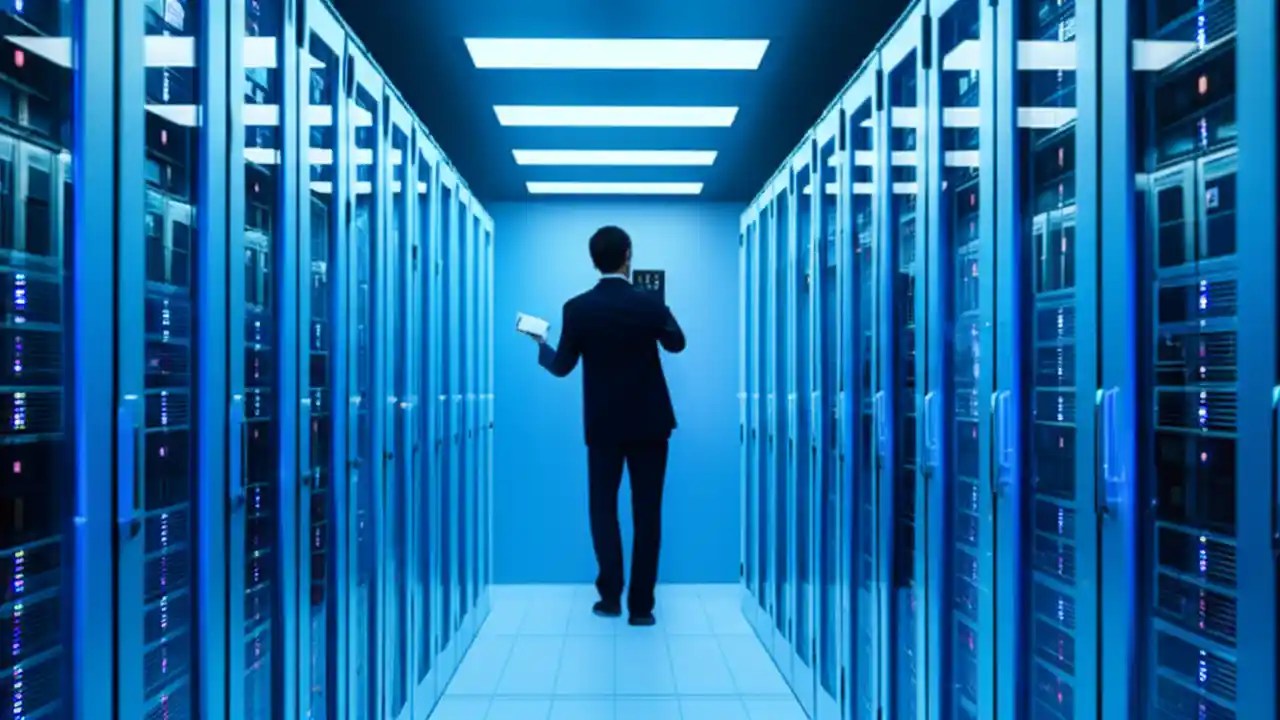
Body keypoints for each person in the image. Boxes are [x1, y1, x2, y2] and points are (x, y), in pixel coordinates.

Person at [530, 225, 685, 626]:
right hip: (651, 424)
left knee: (603, 509)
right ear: (628, 255)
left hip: (603, 426)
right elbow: (677, 343)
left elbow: (562, 367)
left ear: (592, 259)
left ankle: (610, 599)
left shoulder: (577, 308)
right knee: (647, 512)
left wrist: (541, 346)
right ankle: (641, 608)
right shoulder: (649, 302)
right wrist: (661, 311)